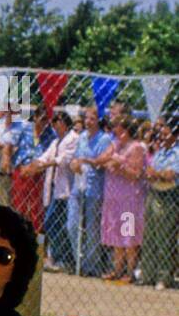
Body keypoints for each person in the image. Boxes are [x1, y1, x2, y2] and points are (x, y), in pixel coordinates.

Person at [28, 111, 78, 271]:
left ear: (64, 123)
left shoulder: (73, 139)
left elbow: (64, 159)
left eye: (57, 122)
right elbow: (45, 156)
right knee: (53, 224)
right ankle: (57, 258)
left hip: (66, 190)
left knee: (55, 223)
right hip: (54, 189)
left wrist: (46, 164)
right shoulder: (56, 142)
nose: (55, 126)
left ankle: (65, 258)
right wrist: (36, 163)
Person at [100, 116, 148, 283]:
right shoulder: (116, 146)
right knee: (116, 235)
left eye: (118, 128)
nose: (115, 131)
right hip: (114, 197)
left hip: (129, 198)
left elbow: (136, 174)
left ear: (126, 131)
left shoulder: (136, 147)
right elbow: (101, 160)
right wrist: (110, 162)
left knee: (128, 236)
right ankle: (117, 270)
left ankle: (130, 271)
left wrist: (119, 168)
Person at [67, 106, 113, 276]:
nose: (87, 121)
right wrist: (75, 164)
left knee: (92, 229)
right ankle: (79, 261)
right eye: (86, 118)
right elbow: (75, 159)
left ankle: (91, 266)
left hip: (94, 188)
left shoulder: (104, 139)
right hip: (78, 186)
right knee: (72, 225)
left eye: (91, 118)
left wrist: (87, 160)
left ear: (98, 120)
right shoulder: (82, 138)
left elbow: (102, 162)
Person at [139, 119, 179, 289]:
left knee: (165, 237)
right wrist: (157, 174)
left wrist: (158, 174)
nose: (161, 137)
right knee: (149, 236)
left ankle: (164, 276)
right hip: (154, 192)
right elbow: (149, 172)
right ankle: (148, 274)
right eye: (161, 134)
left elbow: (170, 175)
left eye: (166, 134)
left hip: (169, 195)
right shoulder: (160, 152)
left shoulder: (177, 153)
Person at [11, 110, 55, 233]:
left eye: (47, 119)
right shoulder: (24, 128)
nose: (45, 123)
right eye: (42, 118)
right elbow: (12, 146)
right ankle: (17, 233)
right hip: (21, 171)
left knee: (37, 208)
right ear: (35, 117)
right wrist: (21, 166)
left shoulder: (51, 134)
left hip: (39, 174)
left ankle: (36, 235)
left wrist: (36, 168)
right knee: (19, 206)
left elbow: (50, 156)